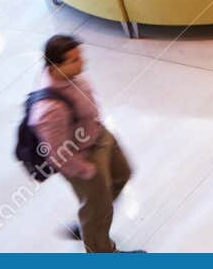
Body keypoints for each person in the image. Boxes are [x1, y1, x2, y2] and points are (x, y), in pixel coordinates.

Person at [28, 35, 135, 254]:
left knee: (122, 175)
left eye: (81, 56)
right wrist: (85, 170)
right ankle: (101, 251)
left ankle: (90, 220)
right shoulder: (49, 110)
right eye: (75, 60)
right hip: (83, 158)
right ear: (56, 66)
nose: (83, 63)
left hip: (100, 136)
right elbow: (58, 154)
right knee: (99, 208)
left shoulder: (71, 78)